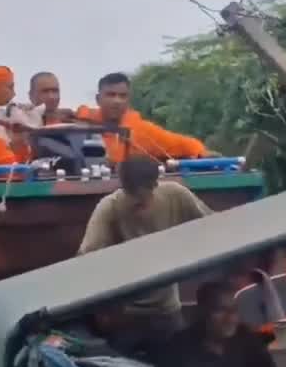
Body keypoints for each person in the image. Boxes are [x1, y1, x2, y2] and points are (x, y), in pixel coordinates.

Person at [78, 155, 211, 344]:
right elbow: (86, 257)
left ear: (155, 185)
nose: (139, 207)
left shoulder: (176, 195)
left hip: (167, 309)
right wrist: (104, 308)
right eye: (132, 199)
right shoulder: (110, 208)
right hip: (126, 315)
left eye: (143, 201)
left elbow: (213, 224)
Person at [75, 72, 211, 164]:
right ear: (98, 99)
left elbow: (188, 146)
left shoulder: (142, 130)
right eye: (111, 95)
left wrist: (204, 154)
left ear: (128, 100)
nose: (117, 101)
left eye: (122, 96)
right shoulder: (78, 126)